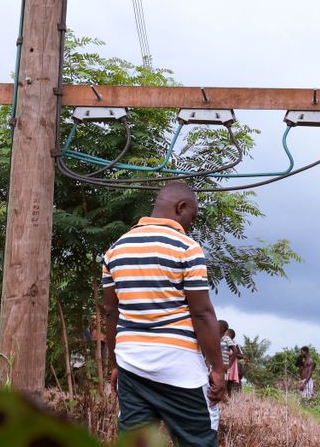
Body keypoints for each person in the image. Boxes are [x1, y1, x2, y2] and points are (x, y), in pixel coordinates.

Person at [103, 183, 226, 447]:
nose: (190, 225)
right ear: (180, 207)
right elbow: (202, 313)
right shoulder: (186, 248)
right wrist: (217, 367)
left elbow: (111, 312)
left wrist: (115, 364)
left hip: (131, 365)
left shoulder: (115, 251)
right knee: (199, 441)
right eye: (191, 217)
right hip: (179, 368)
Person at [225, 329, 243, 395]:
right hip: (224, 364)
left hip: (231, 366)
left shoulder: (235, 344)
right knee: (223, 382)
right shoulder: (222, 341)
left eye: (225, 333)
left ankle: (228, 400)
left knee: (229, 384)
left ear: (230, 335)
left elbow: (241, 356)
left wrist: (233, 353)